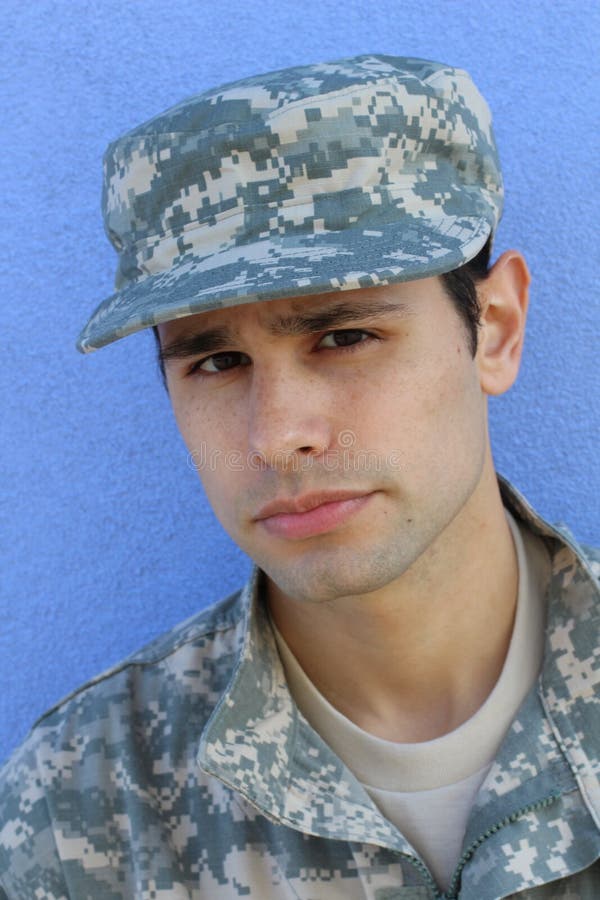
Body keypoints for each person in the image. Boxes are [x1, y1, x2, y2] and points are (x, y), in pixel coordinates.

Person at [1, 54, 598, 900]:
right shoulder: (80, 802)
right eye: (215, 360)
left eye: (345, 336)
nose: (279, 436)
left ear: (494, 329)